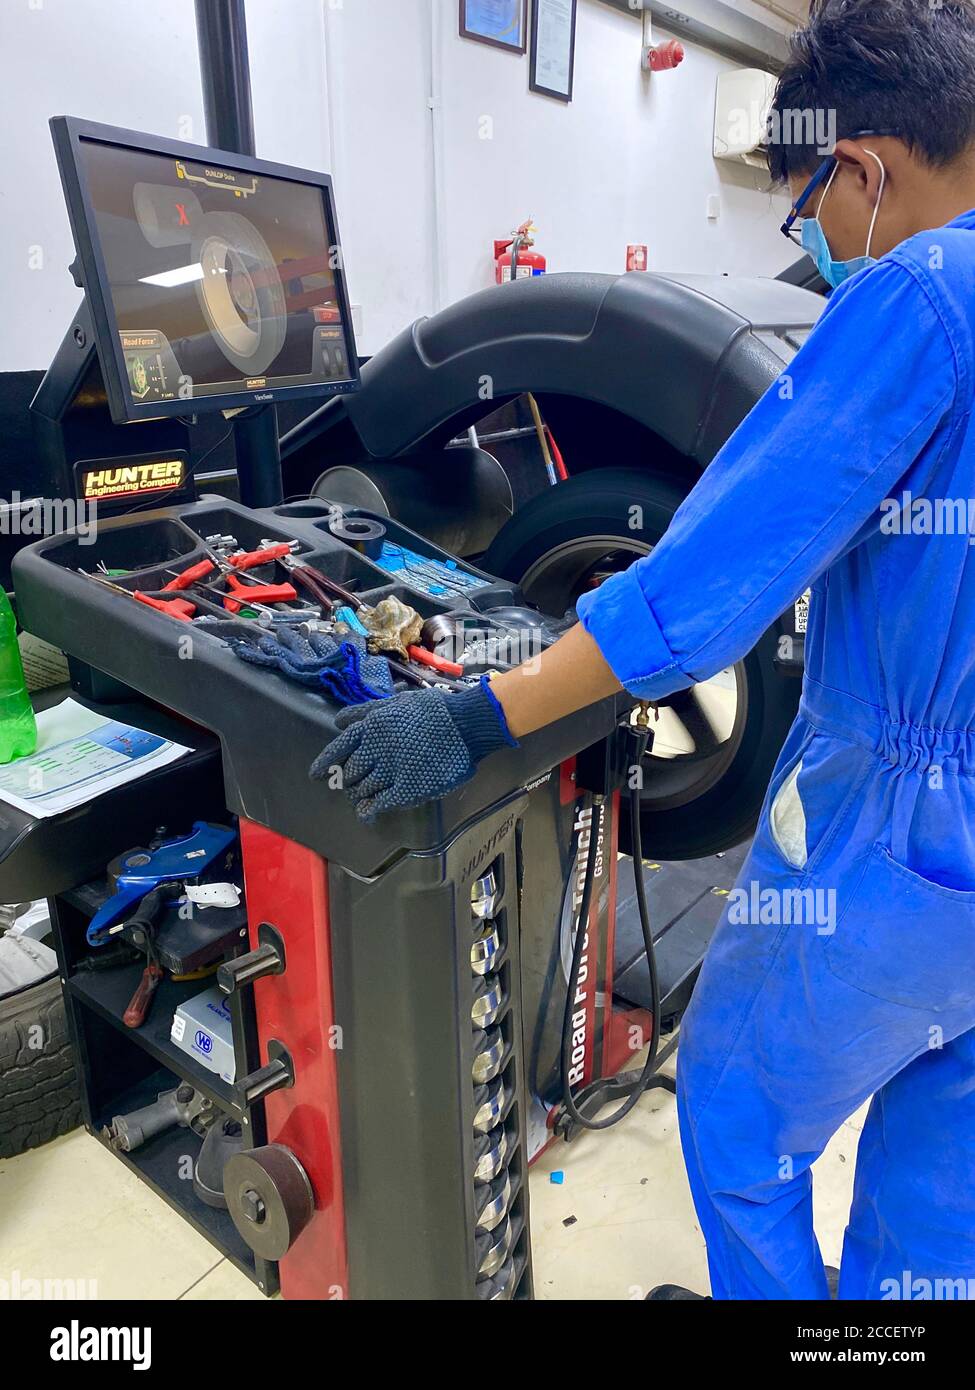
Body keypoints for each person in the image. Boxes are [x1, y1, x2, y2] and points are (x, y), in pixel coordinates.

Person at [314, 0, 975, 1300]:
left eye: (808, 210)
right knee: (942, 1168)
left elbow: (701, 586)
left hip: (905, 830)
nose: (813, 242)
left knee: (733, 1105)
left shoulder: (915, 295)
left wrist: (478, 715)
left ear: (863, 169)